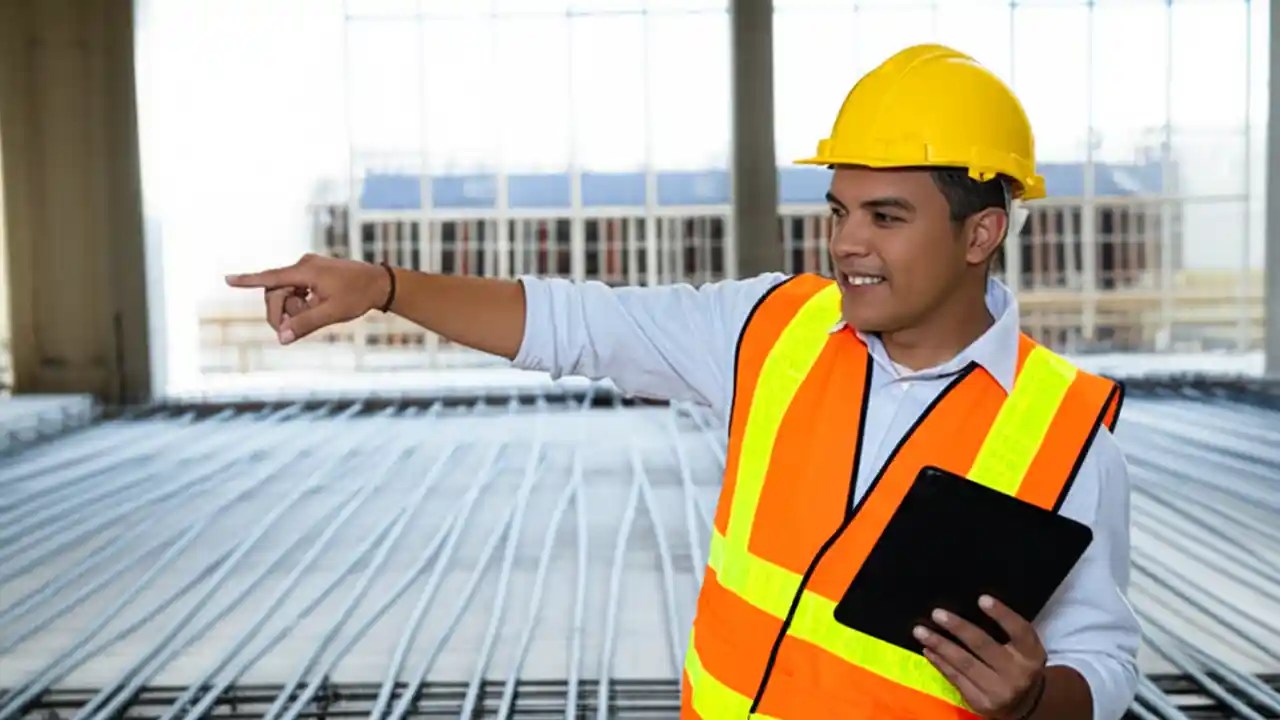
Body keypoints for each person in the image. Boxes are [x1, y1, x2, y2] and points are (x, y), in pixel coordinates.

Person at [227, 44, 1139, 720]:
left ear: (982, 233)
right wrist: (386, 289)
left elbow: (1104, 657)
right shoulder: (769, 330)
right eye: (839, 211)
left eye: (886, 217)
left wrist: (1031, 703)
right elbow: (574, 323)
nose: (847, 243)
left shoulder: (1065, 428)